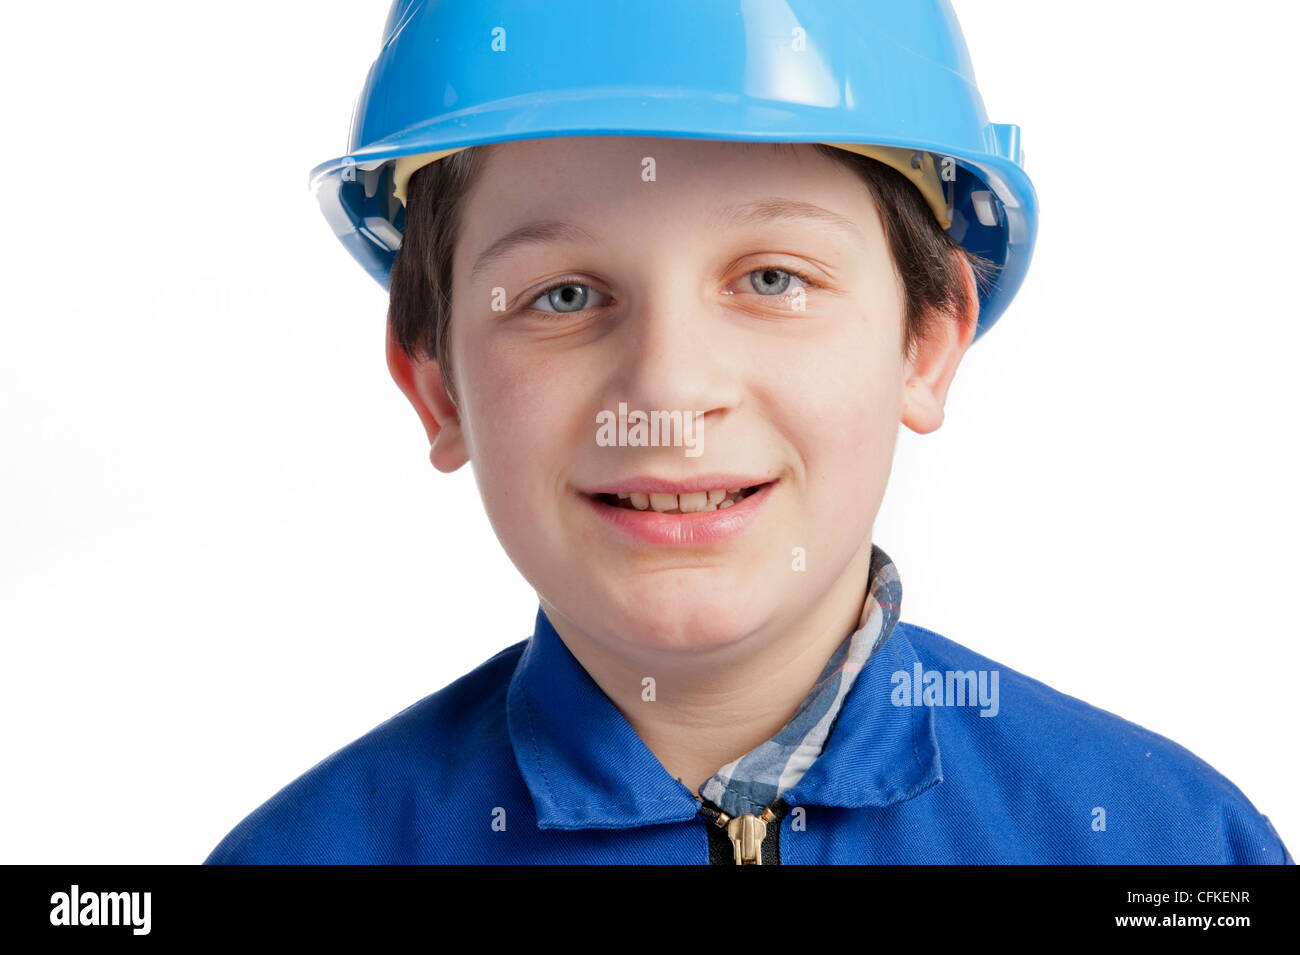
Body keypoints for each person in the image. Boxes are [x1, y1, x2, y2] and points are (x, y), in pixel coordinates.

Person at [205, 0, 1291, 864]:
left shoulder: (1169, 849)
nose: (670, 391)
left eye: (773, 278)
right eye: (565, 296)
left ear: (926, 342)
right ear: (435, 383)